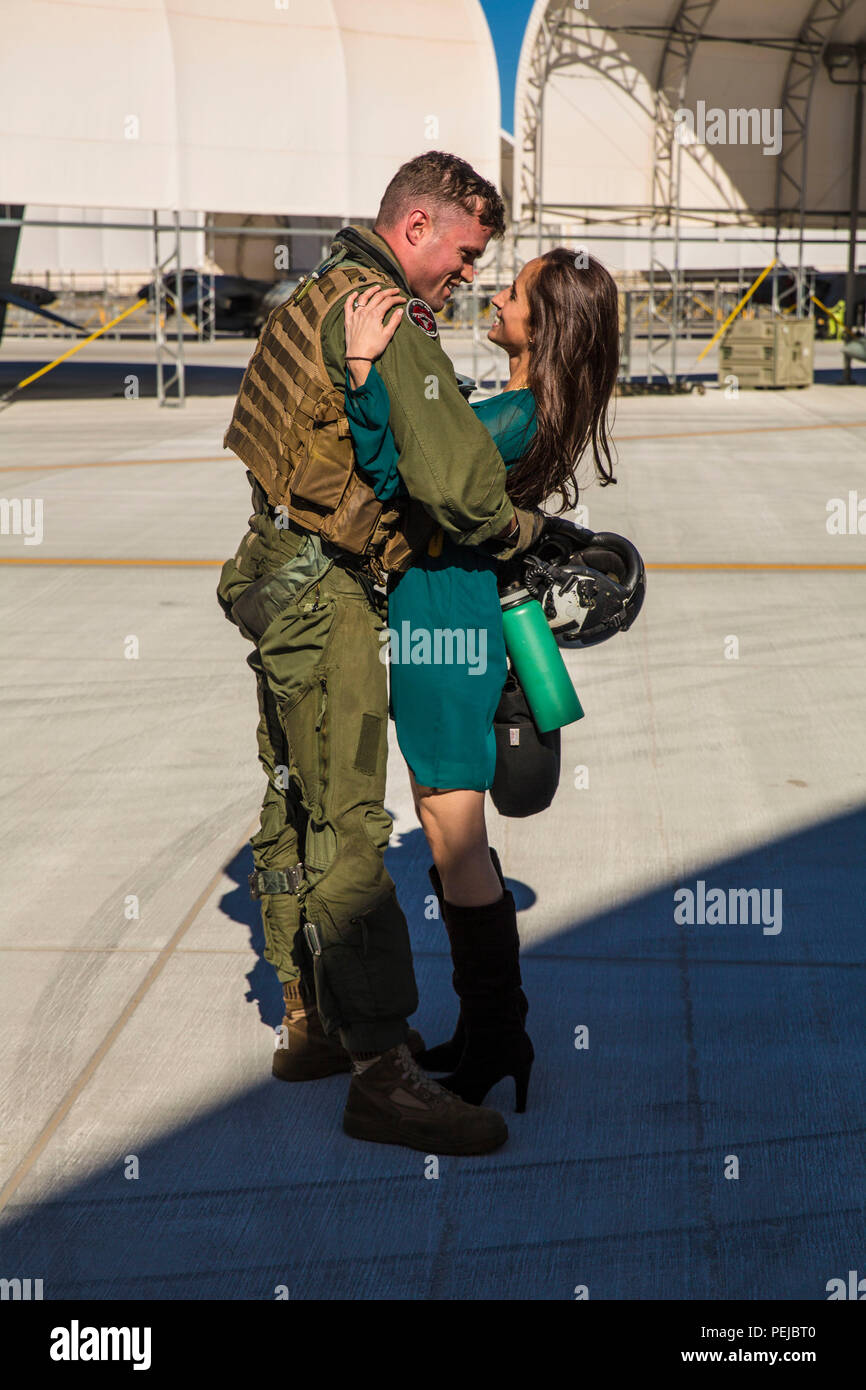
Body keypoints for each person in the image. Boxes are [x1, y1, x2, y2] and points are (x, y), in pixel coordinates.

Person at [216, 151, 549, 1157]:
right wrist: (530, 534)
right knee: (353, 828)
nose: (469, 275)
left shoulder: (315, 290)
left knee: (292, 801)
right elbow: (454, 484)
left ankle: (311, 1018)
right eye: (463, 252)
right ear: (415, 230)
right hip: (325, 594)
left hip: (270, 570)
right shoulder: (385, 317)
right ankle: (380, 1072)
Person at [340, 248, 620, 1112]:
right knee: (445, 821)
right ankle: (492, 1033)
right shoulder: (527, 410)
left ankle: (498, 1035)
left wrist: (361, 375)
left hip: (444, 616)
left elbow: (395, 479)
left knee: (449, 824)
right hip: (463, 612)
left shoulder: (512, 417)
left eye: (514, 292)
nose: (495, 296)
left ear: (542, 325)